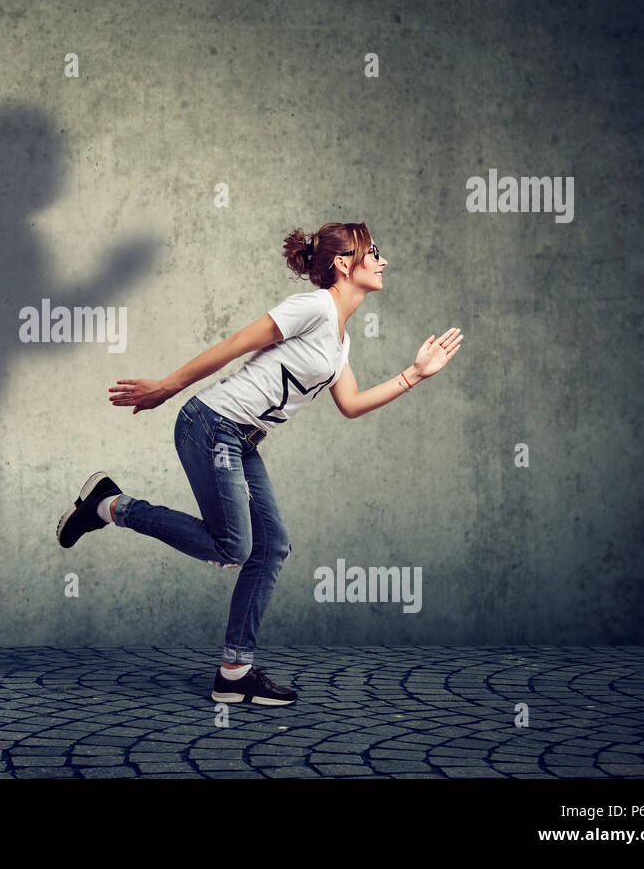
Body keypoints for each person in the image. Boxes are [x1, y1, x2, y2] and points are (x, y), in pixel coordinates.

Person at [56, 222, 462, 705]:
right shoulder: (312, 307)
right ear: (342, 263)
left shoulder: (340, 340)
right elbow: (234, 346)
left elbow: (350, 404)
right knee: (233, 547)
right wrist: (166, 388)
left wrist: (413, 375)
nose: (383, 260)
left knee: (271, 547)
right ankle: (110, 505)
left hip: (243, 440)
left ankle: (234, 672)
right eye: (373, 251)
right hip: (212, 424)